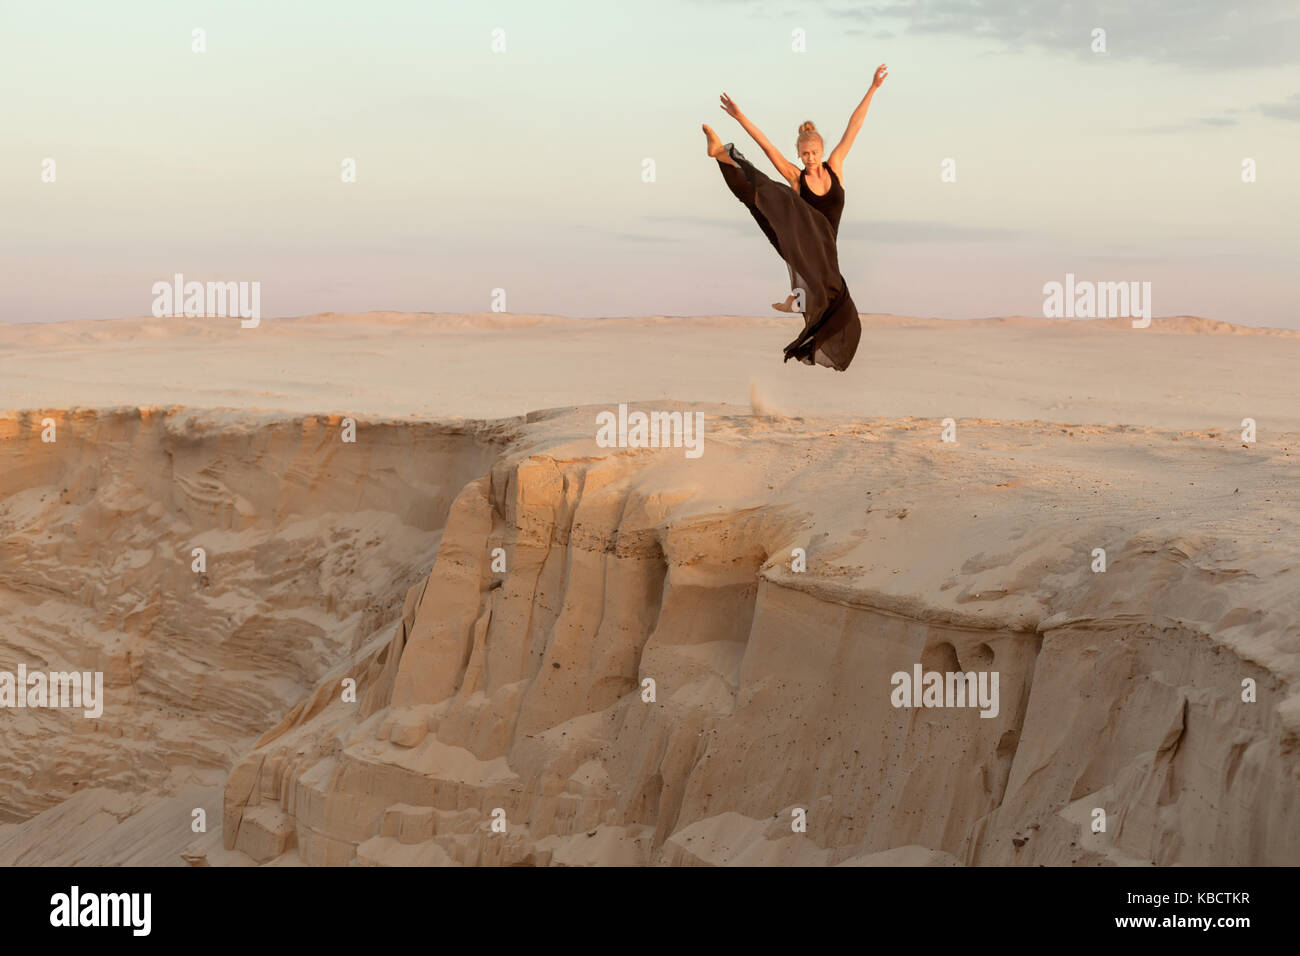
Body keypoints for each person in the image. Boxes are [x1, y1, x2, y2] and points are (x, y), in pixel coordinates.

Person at [702, 64, 887, 370]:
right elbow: (767, 147)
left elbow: (854, 127)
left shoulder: (835, 166)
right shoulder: (796, 177)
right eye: (804, 155)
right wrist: (740, 116)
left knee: (838, 303)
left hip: (825, 249)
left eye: (813, 153)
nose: (809, 159)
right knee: (762, 193)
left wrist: (873, 88)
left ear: (822, 150)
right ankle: (721, 153)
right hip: (801, 238)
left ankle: (797, 302)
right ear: (799, 154)